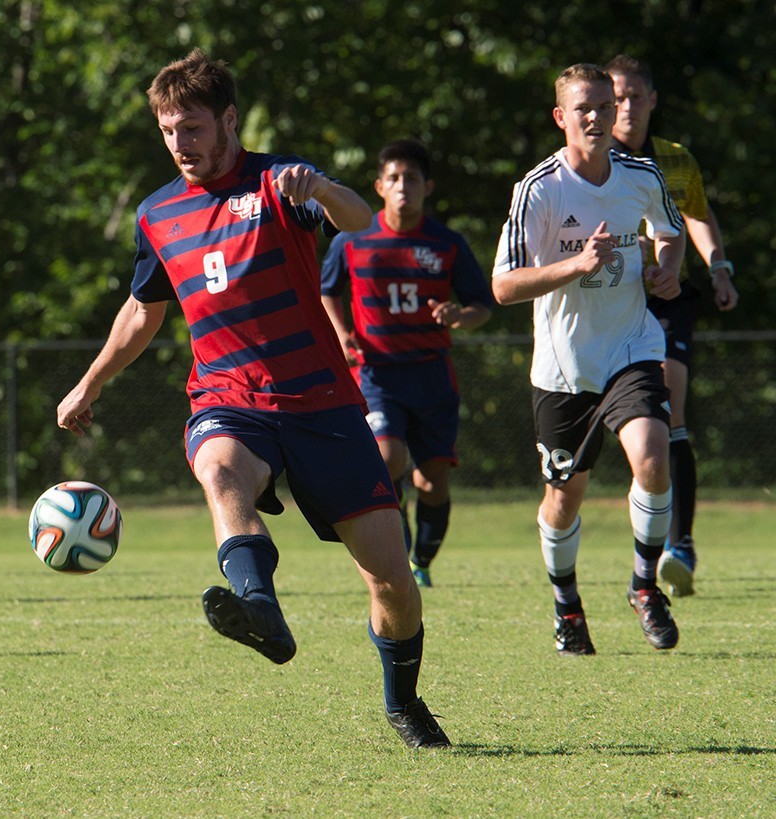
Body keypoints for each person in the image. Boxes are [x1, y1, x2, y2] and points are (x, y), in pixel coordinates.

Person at [57, 49, 450, 749]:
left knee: (391, 578)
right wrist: (89, 382)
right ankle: (260, 609)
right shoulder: (157, 215)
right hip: (229, 395)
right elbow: (143, 310)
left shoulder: (278, 182)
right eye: (169, 129)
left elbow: (361, 220)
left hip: (324, 403)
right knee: (220, 470)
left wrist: (322, 189)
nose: (181, 143)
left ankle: (404, 701)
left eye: (194, 128)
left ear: (229, 120)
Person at [491, 64, 686, 655]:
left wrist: (667, 269)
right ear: (562, 118)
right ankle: (567, 605)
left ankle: (645, 585)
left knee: (653, 457)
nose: (598, 117)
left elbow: (669, 232)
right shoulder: (540, 189)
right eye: (585, 109)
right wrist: (577, 265)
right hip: (564, 369)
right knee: (563, 499)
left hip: (630, 345)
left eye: (606, 105)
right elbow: (503, 287)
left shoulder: (640, 175)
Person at [320, 139, 493, 588]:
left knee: (433, 480)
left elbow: (481, 305)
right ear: (379, 186)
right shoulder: (352, 238)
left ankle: (423, 560)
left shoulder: (446, 243)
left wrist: (461, 315)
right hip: (376, 374)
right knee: (387, 457)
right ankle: (395, 550)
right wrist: (340, 334)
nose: (403, 187)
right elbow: (326, 291)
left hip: (432, 375)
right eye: (394, 178)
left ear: (427, 186)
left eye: (412, 178)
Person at [606, 54, 739, 598]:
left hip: (666, 301)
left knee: (670, 406)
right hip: (605, 306)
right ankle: (644, 535)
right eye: (617, 97)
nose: (627, 106)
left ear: (653, 100)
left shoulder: (675, 161)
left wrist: (720, 269)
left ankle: (677, 545)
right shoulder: (590, 163)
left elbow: (697, 214)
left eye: (636, 95)